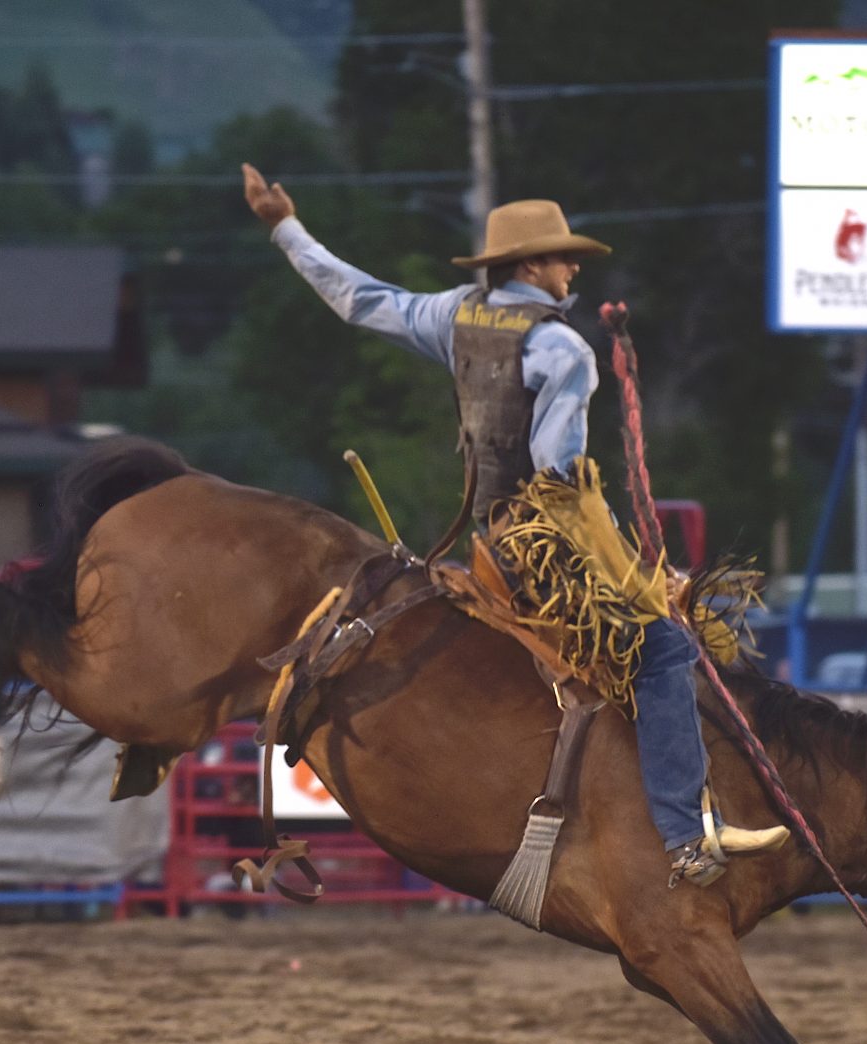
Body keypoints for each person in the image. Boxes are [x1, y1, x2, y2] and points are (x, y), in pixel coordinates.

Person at [242, 165, 790, 888]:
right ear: (532, 264)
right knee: (663, 646)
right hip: (545, 548)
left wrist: (286, 227)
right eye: (564, 256)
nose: (571, 269)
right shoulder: (563, 350)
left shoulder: (455, 316)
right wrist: (626, 566)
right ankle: (686, 835)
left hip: (489, 543)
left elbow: (360, 299)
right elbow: (556, 473)